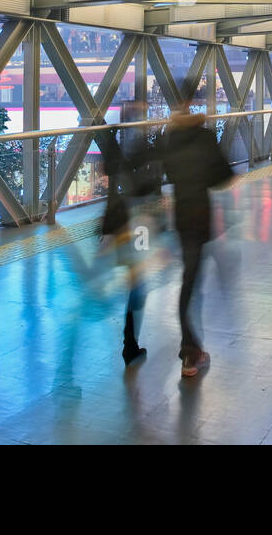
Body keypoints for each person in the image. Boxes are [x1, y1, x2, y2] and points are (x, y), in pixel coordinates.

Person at [157, 82, 234, 378]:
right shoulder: (203, 135)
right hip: (201, 212)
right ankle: (190, 353)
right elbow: (222, 176)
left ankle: (192, 348)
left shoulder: (169, 135)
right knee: (191, 283)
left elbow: (168, 172)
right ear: (195, 100)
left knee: (191, 281)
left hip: (181, 213)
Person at [97, 99, 158, 365]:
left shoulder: (117, 146)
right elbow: (145, 186)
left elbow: (110, 172)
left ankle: (129, 344)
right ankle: (129, 345)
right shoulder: (142, 149)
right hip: (134, 225)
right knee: (137, 285)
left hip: (118, 223)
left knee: (135, 283)